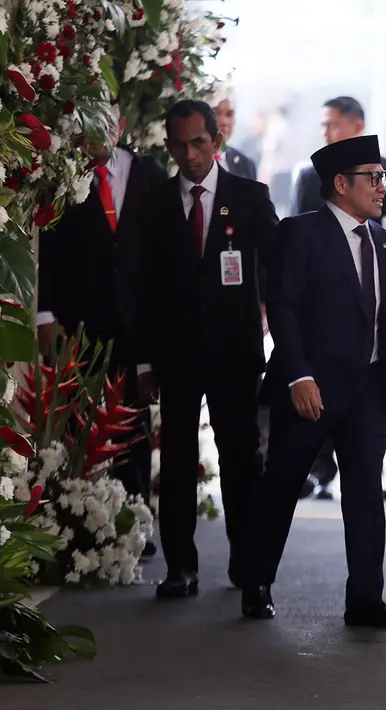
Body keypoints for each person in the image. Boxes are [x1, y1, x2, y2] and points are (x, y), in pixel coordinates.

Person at [238, 134, 386, 628]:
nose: (382, 188)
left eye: (383, 178)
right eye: (373, 178)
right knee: (283, 486)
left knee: (364, 495)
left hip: (367, 391)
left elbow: (379, 318)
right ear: (340, 183)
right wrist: (299, 375)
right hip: (309, 389)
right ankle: (257, 583)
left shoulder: (384, 240)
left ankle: (366, 600)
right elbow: (285, 310)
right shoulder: (301, 233)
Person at [133, 99, 277, 599]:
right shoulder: (152, 204)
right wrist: (145, 359)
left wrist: (286, 347)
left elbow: (277, 273)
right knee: (175, 462)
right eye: (179, 144)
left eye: (199, 142)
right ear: (168, 145)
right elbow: (139, 287)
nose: (189, 154)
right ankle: (181, 567)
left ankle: (247, 564)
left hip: (235, 354)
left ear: (217, 141)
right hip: (175, 356)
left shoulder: (251, 197)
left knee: (241, 459)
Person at [36, 104, 167, 558]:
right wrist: (45, 314)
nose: (97, 134)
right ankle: (83, 520)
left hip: (138, 324)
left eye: (106, 125)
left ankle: (134, 521)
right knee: (79, 419)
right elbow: (47, 246)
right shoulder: (65, 173)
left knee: (133, 419)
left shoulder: (149, 171)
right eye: (89, 126)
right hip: (81, 321)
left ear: (122, 127)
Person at [288, 96, 386, 501]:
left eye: (333, 124)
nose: (326, 132)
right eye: (324, 125)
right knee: (324, 389)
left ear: (356, 125)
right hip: (325, 306)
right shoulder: (311, 176)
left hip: (378, 300)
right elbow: (295, 240)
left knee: (372, 385)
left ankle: (367, 470)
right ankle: (321, 471)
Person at [213, 96, 259, 180]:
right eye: (216, 113)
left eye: (229, 114)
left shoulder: (245, 165)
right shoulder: (187, 162)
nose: (224, 121)